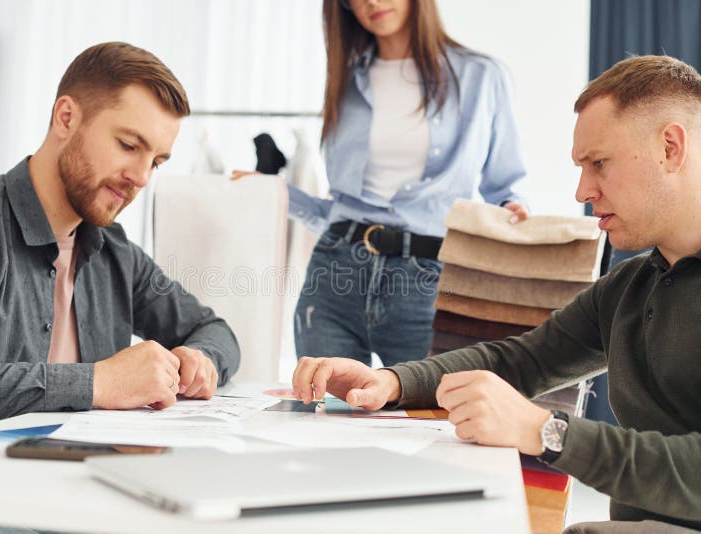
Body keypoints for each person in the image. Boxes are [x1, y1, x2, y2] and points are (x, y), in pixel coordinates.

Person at [292, 54, 701, 532]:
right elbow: (519, 362)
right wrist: (392, 382)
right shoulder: (631, 286)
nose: (582, 190)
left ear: (671, 148)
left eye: (599, 163)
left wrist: (545, 431)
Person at [0, 42, 240, 442]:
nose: (142, 176)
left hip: (85, 490)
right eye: (128, 146)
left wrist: (200, 360)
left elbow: (215, 331)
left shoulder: (116, 252)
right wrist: (98, 383)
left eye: (156, 161)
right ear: (66, 118)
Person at [238, 0, 529, 367]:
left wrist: (513, 210)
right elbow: (339, 208)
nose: (370, 2)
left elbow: (505, 187)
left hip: (429, 283)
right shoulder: (346, 81)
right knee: (326, 418)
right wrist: (275, 192)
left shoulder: (482, 76)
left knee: (432, 418)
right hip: (334, 275)